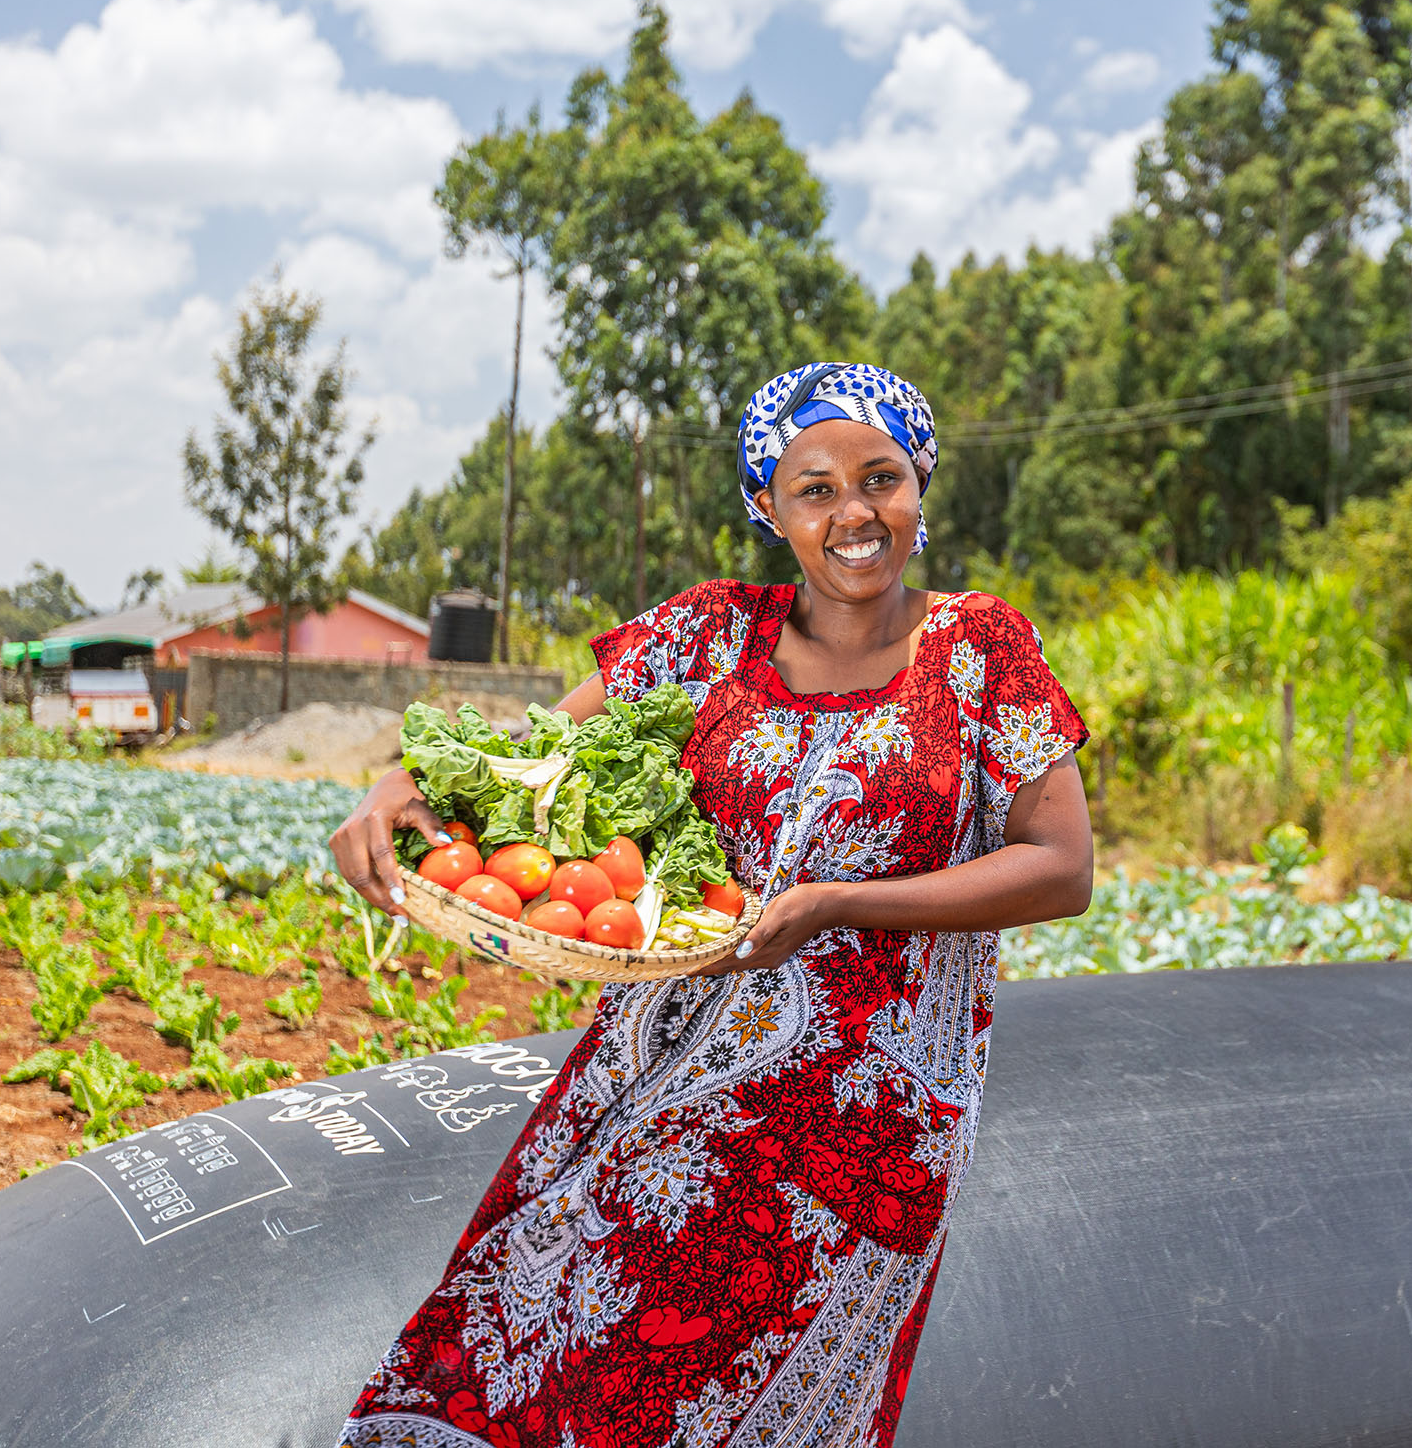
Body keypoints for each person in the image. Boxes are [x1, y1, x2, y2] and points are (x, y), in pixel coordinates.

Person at [330, 361, 1093, 1448]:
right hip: (656, 1071)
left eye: (880, 478)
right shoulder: (704, 637)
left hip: (865, 1126)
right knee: (534, 1348)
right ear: (768, 509)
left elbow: (1062, 865)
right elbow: (533, 758)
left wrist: (838, 904)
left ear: (920, 487)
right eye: (814, 488)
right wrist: (404, 783)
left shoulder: (981, 650)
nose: (853, 512)